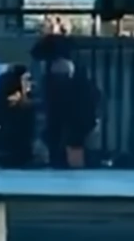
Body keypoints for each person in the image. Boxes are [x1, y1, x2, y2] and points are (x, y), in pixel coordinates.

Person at [34, 35, 99, 168]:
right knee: (73, 143)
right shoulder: (74, 69)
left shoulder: (57, 69)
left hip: (70, 113)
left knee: (69, 141)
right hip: (77, 112)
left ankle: (67, 164)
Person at [0, 65, 36, 168]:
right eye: (27, 79)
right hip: (17, 147)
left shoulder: (2, 97)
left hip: (7, 145)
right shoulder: (17, 99)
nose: (30, 83)